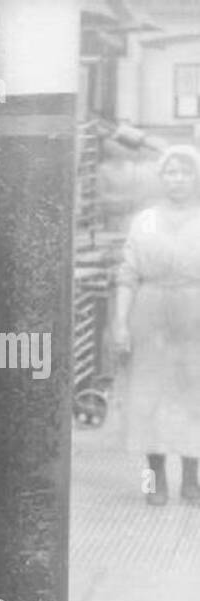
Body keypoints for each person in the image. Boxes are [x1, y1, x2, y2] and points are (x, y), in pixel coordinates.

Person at [110, 144, 200, 505]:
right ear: (161, 177)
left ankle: (193, 480)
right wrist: (120, 323)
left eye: (185, 172)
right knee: (146, 401)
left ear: (195, 178)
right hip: (148, 318)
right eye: (171, 172)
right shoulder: (144, 219)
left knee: (194, 397)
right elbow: (128, 275)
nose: (178, 179)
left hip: (194, 317)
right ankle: (153, 482)